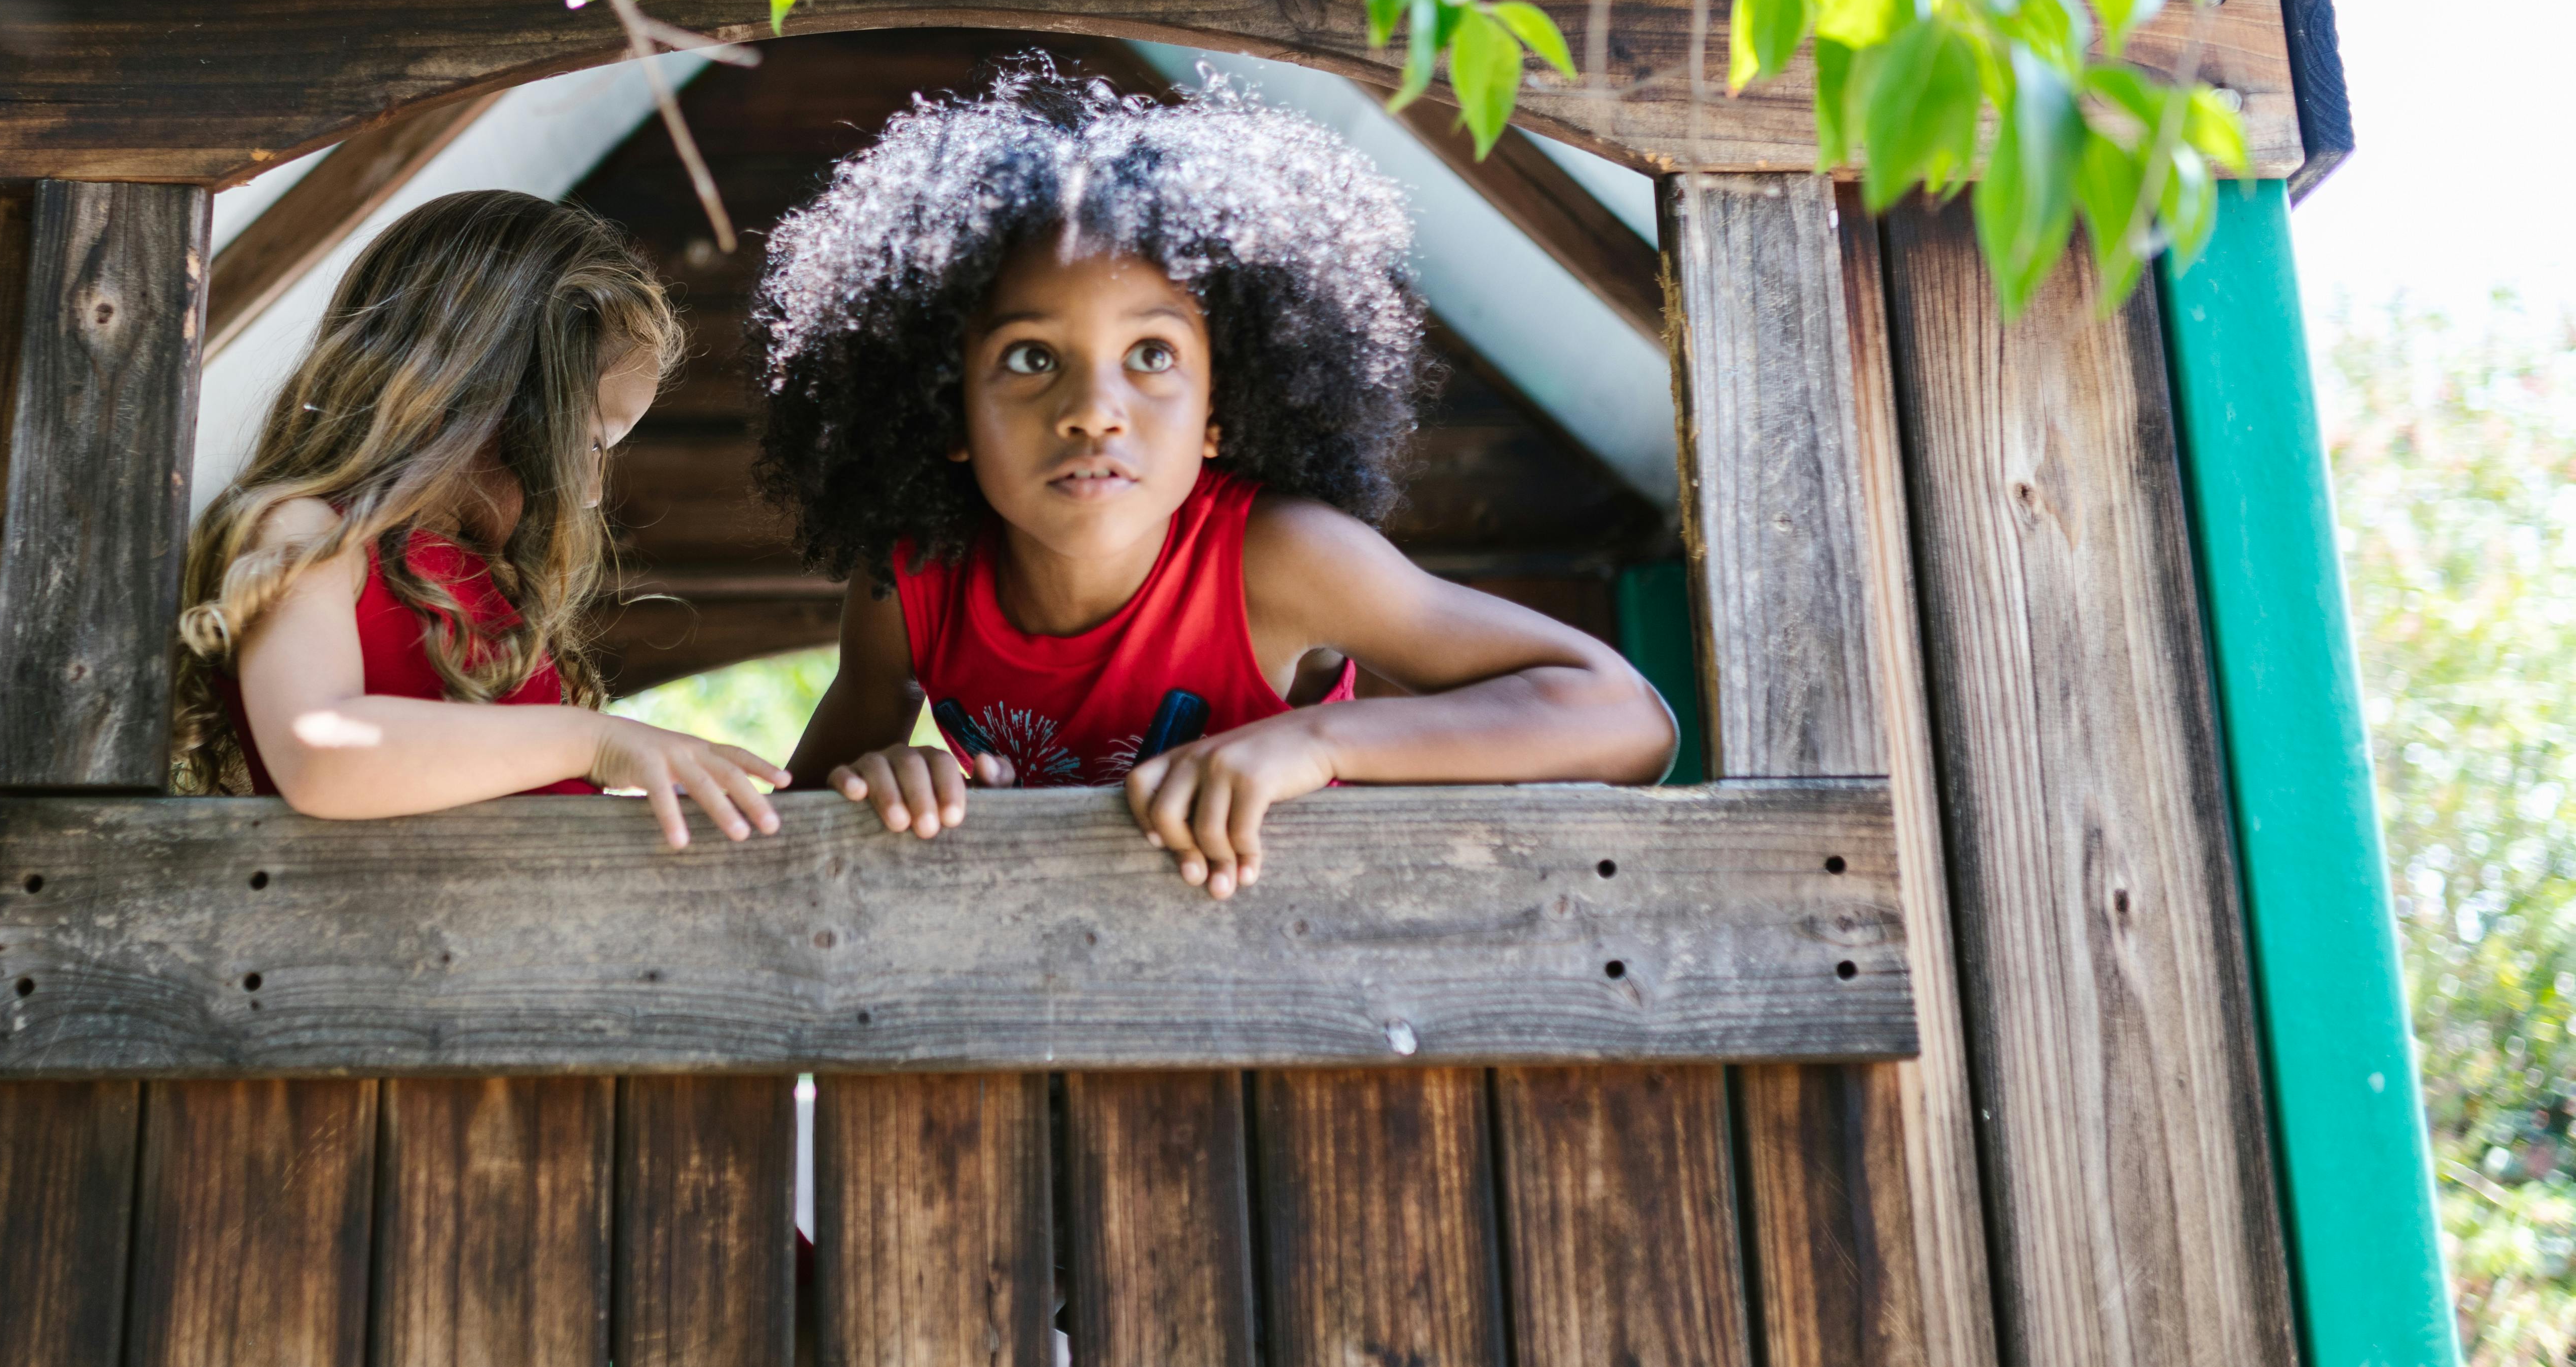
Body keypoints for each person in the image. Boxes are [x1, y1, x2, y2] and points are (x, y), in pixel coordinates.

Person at [756, 63, 1675, 898]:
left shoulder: (1281, 559)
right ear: (945, 410)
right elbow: (786, 850)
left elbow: (1627, 720)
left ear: (1220, 407)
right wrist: (874, 785)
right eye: (1032, 357)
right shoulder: (910, 584)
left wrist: (1312, 741)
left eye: (1151, 353)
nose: (1094, 409)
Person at [173, 188, 785, 845]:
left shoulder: (495, 594)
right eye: (589, 442)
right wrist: (594, 741)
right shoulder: (308, 536)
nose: (590, 493)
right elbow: (320, 755)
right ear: (486, 389)